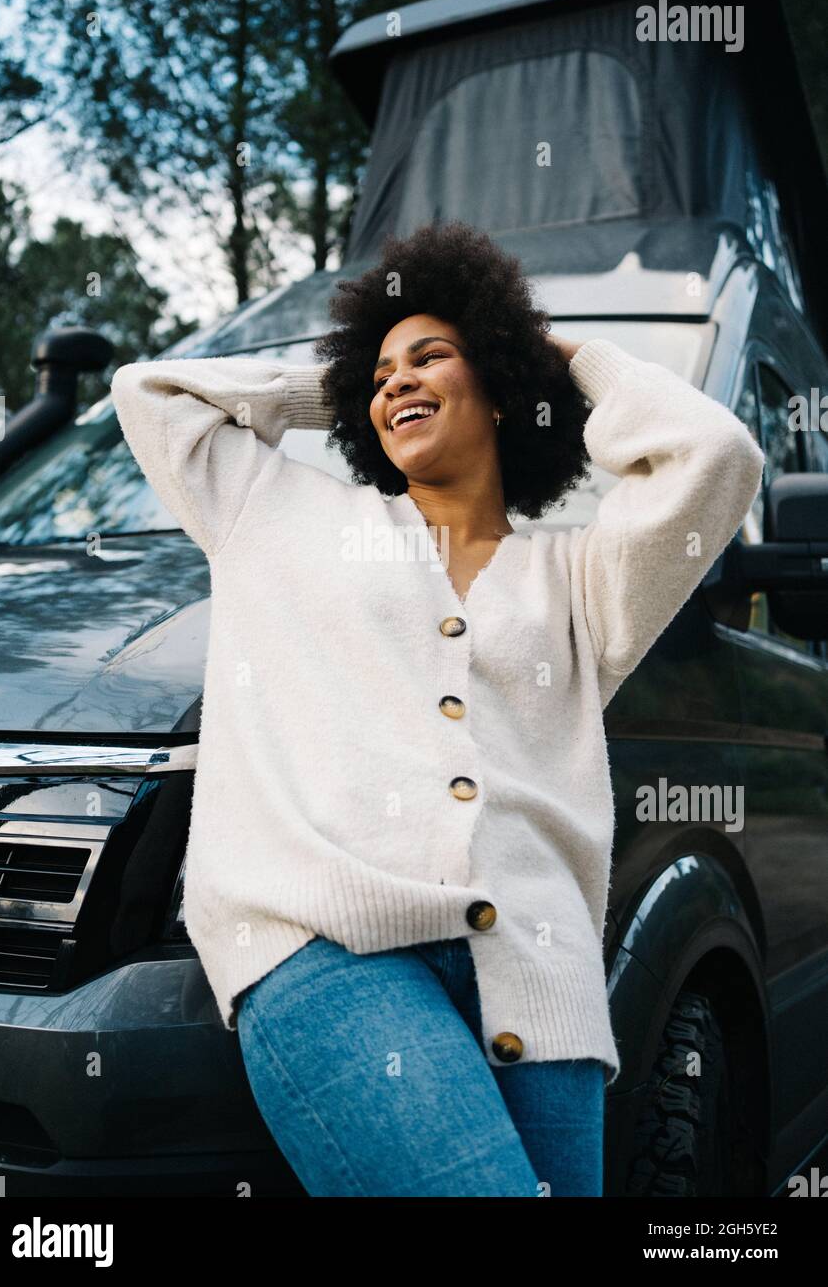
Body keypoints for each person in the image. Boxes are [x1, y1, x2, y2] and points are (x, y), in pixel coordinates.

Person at [110, 220, 764, 1197]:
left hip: (541, 986)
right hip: (329, 952)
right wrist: (327, 394)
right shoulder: (282, 515)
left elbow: (713, 456)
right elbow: (151, 396)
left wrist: (561, 361)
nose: (394, 383)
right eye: (376, 375)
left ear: (498, 386)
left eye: (429, 358)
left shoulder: (580, 576)